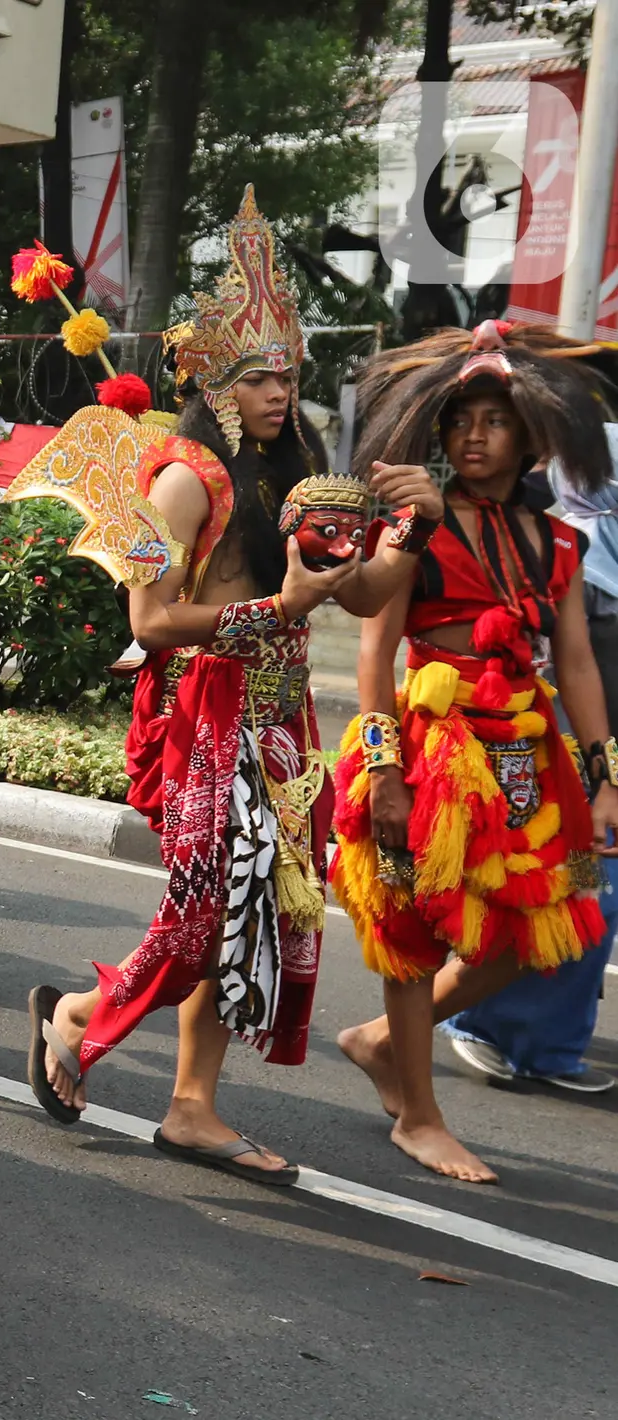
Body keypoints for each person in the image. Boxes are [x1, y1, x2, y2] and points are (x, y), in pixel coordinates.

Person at [23, 189, 441, 1186]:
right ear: (211, 380)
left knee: (260, 911)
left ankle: (191, 1106)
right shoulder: (175, 480)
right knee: (200, 912)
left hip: (284, 720)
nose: (274, 391)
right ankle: (78, 1016)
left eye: (284, 374)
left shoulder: (295, 475)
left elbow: (361, 589)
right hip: (203, 710)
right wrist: (275, 609)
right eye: (256, 376)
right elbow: (148, 622)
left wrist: (415, 530)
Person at [330, 321, 618, 1182]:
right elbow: (374, 655)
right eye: (462, 421)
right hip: (429, 746)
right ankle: (418, 1116)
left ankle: (384, 1044)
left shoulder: (559, 542)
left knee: (531, 933)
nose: (475, 436)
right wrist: (384, 770)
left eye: (495, 421)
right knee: (414, 935)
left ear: (532, 438)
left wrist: (605, 779)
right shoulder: (413, 525)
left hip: (528, 750)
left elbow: (575, 665)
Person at [438, 422, 618, 1095]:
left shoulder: (566, 538)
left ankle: (549, 1045)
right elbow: (574, 664)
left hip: (590, 755)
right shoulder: (559, 537)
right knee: (550, 893)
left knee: (587, 901)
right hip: (529, 745)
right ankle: (478, 1027)